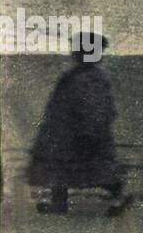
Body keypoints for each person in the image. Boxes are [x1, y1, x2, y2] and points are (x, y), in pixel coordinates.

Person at [28, 33, 131, 216]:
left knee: (95, 169)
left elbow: (96, 108)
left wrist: (91, 130)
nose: (74, 53)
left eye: (77, 50)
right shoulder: (79, 76)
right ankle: (59, 204)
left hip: (81, 134)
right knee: (61, 170)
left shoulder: (90, 79)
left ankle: (118, 196)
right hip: (65, 133)